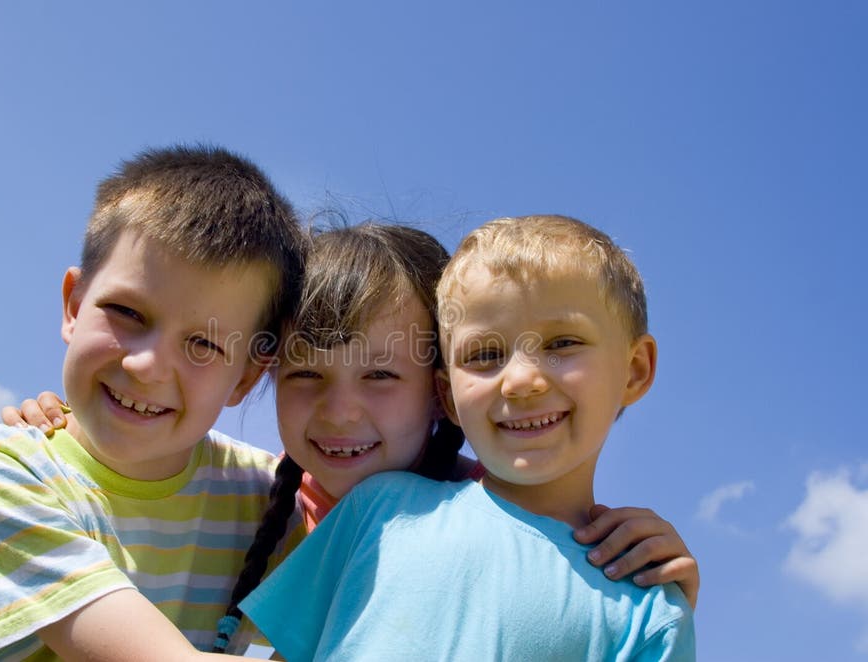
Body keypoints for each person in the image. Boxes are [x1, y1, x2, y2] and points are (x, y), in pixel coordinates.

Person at [7, 222, 699, 650]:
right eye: (305, 376)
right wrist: (67, 426)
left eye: (379, 377)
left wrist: (647, 578)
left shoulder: (488, 506)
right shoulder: (243, 487)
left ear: (440, 389)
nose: (339, 415)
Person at [239, 215, 695, 660]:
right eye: (485, 354)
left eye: (562, 343)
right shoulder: (376, 508)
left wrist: (660, 596)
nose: (521, 380)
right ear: (449, 393)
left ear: (634, 370)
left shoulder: (650, 609)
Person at [0, 145, 308, 661]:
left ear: (245, 377)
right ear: (74, 304)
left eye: (203, 344)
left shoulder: (272, 502)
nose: (147, 366)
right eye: (127, 312)